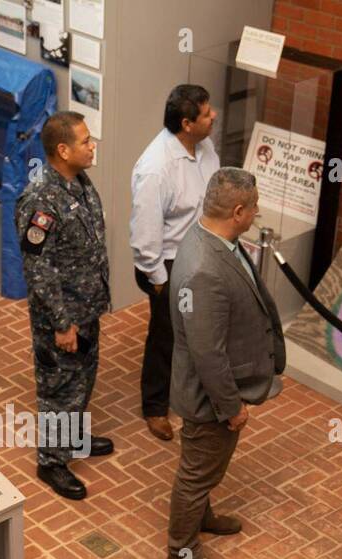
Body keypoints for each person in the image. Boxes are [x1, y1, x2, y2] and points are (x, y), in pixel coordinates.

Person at [167, 168, 284, 559]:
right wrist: (231, 407)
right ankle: (182, 551)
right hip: (209, 399)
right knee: (197, 473)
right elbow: (207, 353)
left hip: (215, 391)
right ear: (237, 212)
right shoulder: (204, 269)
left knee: (207, 470)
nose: (256, 214)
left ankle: (203, 516)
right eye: (253, 208)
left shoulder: (215, 241)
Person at [15, 111, 113, 501]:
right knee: (59, 388)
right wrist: (61, 323)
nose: (92, 146)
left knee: (82, 378)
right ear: (62, 149)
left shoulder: (79, 183)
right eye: (86, 141)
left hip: (85, 306)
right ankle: (52, 461)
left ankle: (72, 439)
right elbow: (37, 268)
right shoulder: (40, 199)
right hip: (63, 316)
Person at [130, 84, 220, 443]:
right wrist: (157, 279)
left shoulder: (205, 146)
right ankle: (154, 406)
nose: (213, 116)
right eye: (206, 113)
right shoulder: (156, 168)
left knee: (197, 328)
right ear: (187, 123)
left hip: (199, 255)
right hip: (165, 264)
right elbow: (145, 232)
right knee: (166, 336)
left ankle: (193, 389)